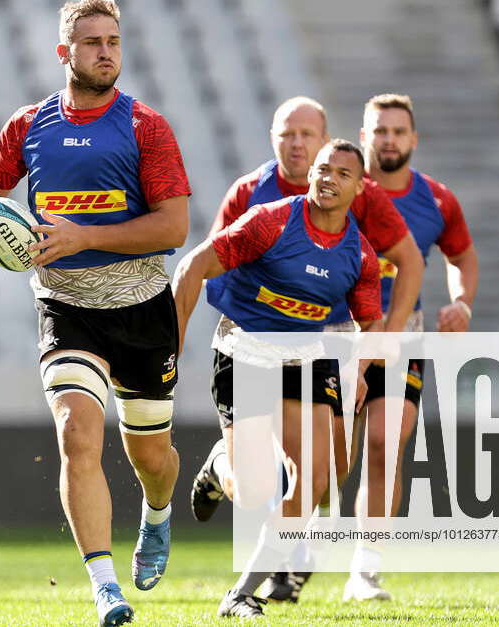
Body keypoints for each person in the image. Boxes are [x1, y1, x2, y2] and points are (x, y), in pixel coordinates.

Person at [0, 2, 190, 624]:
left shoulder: (146, 127)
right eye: (92, 42)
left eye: (113, 40)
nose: (106, 52)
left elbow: (174, 227)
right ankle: (105, 587)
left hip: (142, 307)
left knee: (152, 459)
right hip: (65, 306)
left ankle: (158, 513)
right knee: (76, 434)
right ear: (64, 53)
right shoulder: (29, 124)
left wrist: (82, 236)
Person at [189, 96, 425, 602]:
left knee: (327, 468)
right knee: (261, 482)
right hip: (256, 337)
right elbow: (207, 267)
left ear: (324, 139)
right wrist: (256, 313)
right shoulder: (256, 198)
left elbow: (407, 262)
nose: (296, 144)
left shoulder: (362, 202)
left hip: (325, 336)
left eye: (306, 134)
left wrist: (379, 345)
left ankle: (287, 565)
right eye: (287, 134)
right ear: (274, 140)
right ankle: (230, 473)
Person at [173, 139, 382, 618]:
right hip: (243, 349)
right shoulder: (270, 221)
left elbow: (370, 323)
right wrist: (172, 347)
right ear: (311, 174)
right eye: (323, 169)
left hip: (305, 356)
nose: (329, 179)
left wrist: (359, 367)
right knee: (253, 490)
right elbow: (192, 266)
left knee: (314, 477)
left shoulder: (359, 255)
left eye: (343, 174)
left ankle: (241, 593)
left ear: (360, 187)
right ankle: (220, 465)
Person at [341, 93, 478, 601]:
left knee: (385, 444)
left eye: (398, 131)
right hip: (336, 331)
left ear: (414, 139)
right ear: (364, 137)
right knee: (325, 456)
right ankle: (291, 555)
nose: (389, 140)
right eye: (380, 131)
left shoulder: (437, 199)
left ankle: (365, 569)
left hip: (402, 333)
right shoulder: (341, 188)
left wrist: (461, 303)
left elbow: (462, 257)